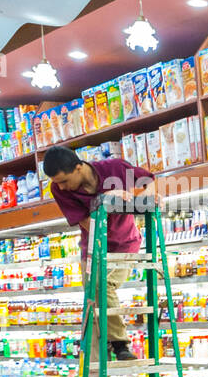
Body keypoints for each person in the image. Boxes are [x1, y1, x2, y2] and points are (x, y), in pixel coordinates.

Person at [43, 146, 157, 361]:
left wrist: (143, 201)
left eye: (65, 181)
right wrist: (105, 199)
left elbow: (149, 180)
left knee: (100, 286)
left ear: (79, 167)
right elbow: (85, 221)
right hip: (93, 248)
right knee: (93, 311)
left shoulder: (115, 168)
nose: (62, 187)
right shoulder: (58, 189)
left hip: (125, 244)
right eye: (57, 183)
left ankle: (120, 344)